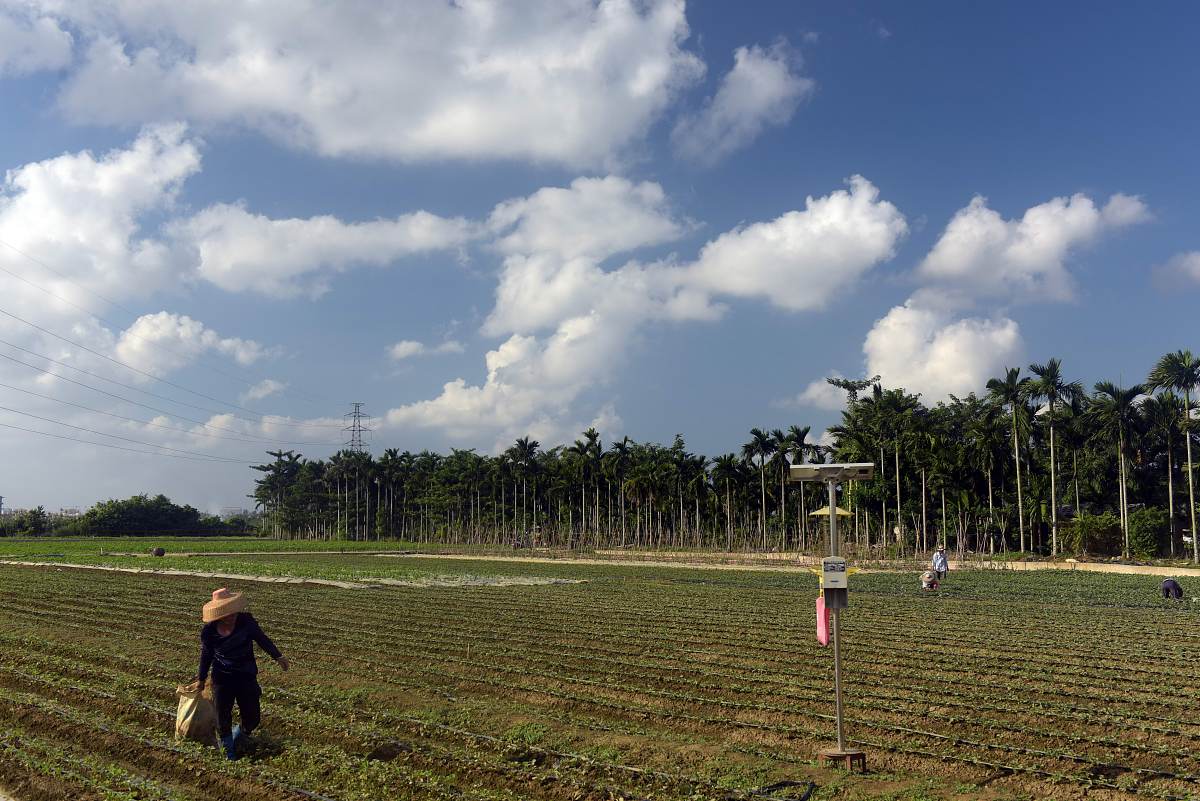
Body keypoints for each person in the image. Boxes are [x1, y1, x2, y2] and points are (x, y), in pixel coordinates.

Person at [197, 588, 290, 759]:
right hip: (222, 679)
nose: (231, 616)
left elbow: (262, 639)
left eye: (233, 611)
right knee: (222, 717)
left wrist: (278, 656)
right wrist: (201, 679)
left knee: (253, 717)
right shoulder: (209, 632)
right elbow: (206, 655)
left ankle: (237, 739)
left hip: (246, 675)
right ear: (218, 614)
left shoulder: (246, 622)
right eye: (226, 613)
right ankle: (228, 754)